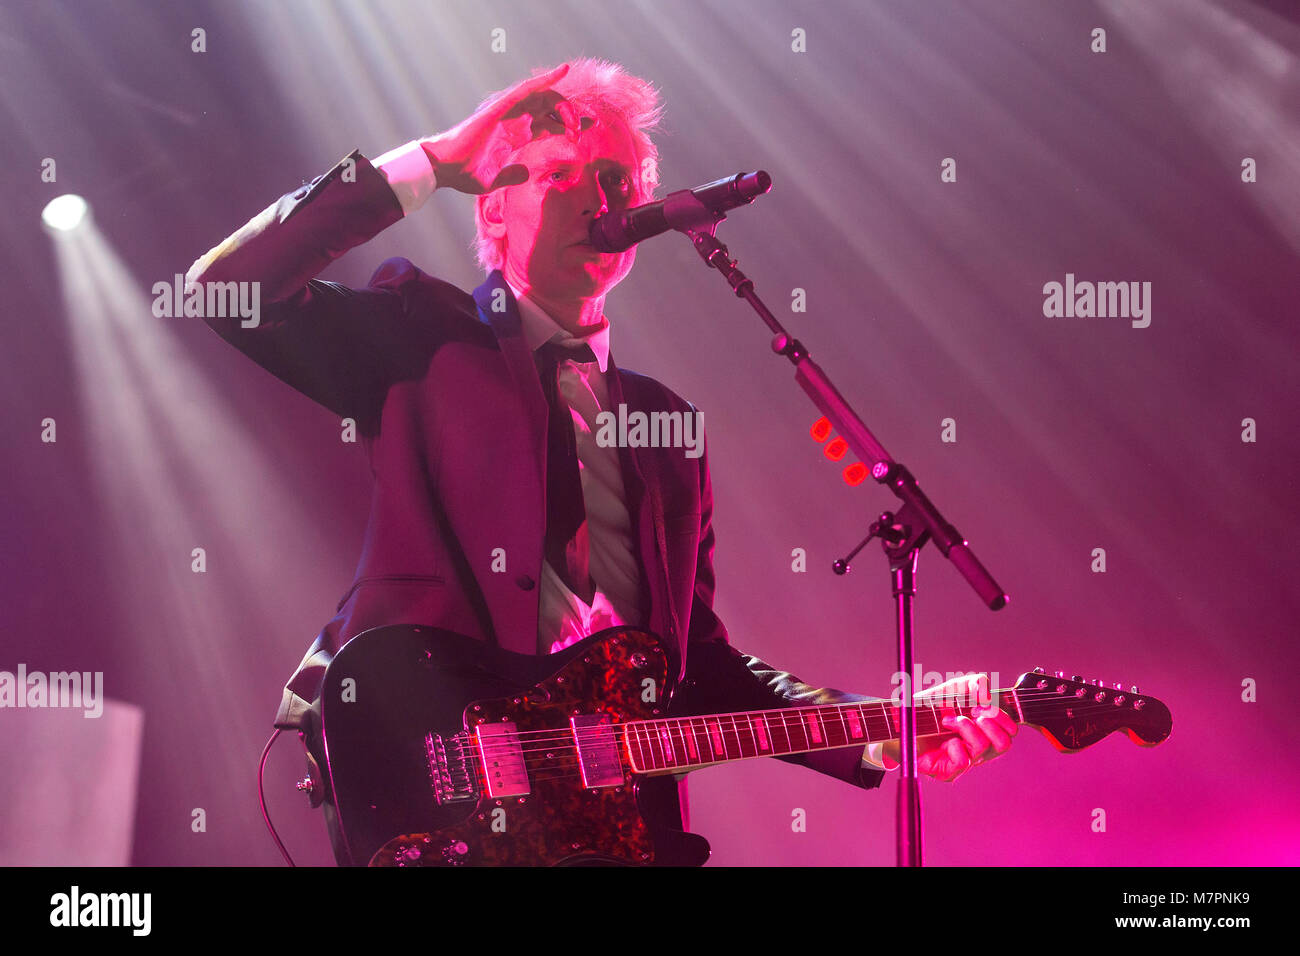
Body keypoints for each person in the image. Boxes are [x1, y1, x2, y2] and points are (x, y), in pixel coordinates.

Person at [186, 58, 1015, 861]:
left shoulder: (668, 426)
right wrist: (435, 161)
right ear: (493, 210)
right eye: (560, 174)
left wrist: (883, 729)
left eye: (619, 181)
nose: (599, 198)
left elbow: (699, 665)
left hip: (621, 832)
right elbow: (229, 289)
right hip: (444, 799)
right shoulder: (422, 339)